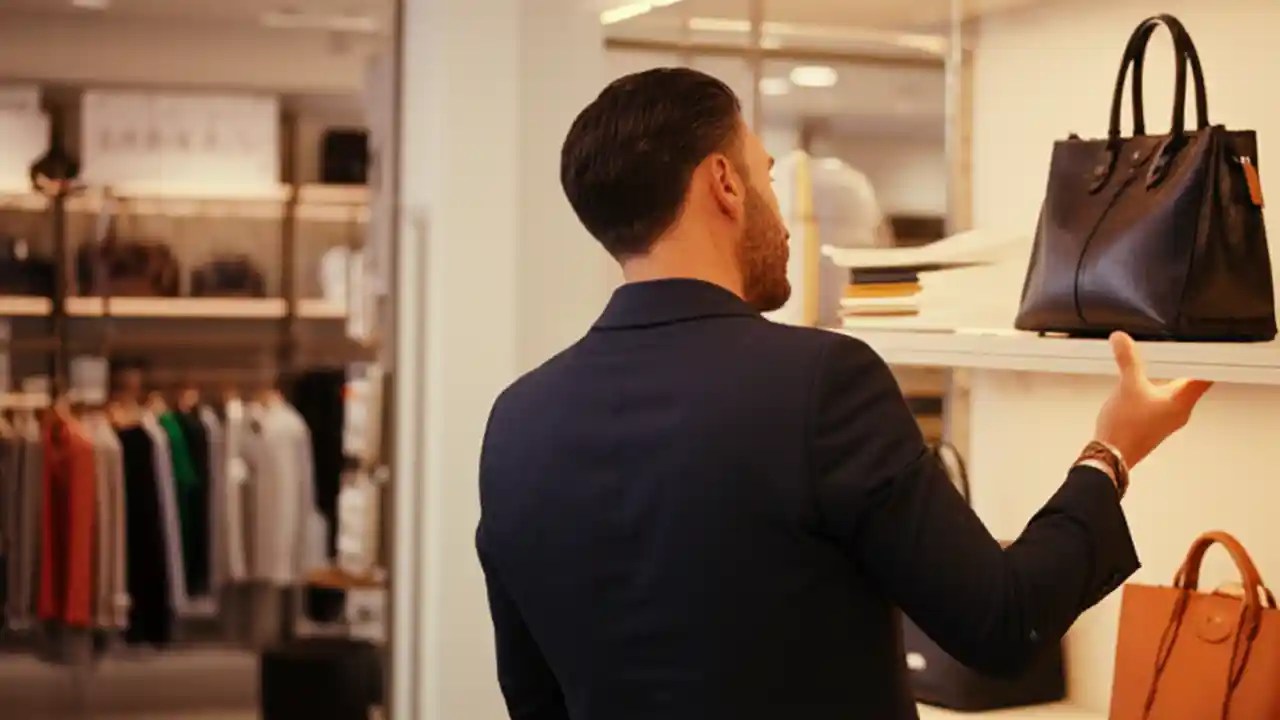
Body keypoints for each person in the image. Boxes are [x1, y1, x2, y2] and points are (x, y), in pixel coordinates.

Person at [476, 68, 1212, 720]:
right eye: (764, 175)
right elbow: (1000, 621)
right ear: (723, 184)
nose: (778, 210)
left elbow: (534, 698)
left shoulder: (516, 422)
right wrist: (1112, 450)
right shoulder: (822, 381)